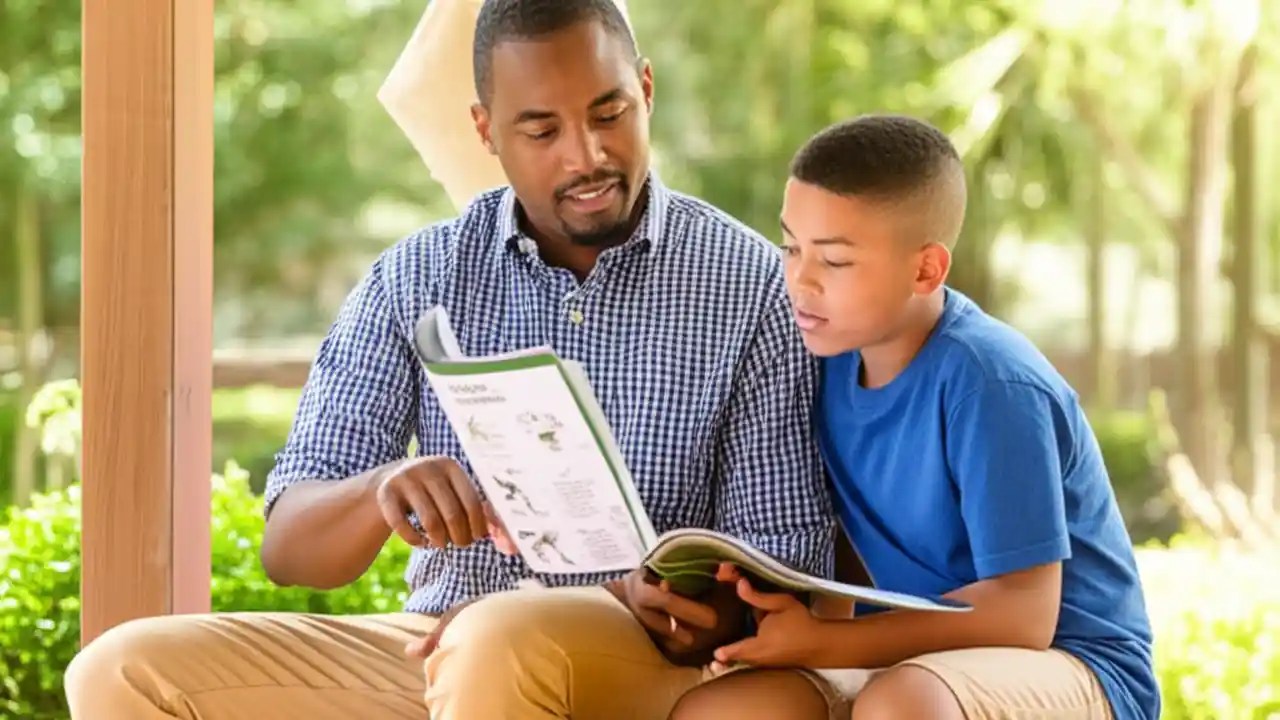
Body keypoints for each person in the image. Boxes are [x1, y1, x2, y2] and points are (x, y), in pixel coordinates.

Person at [61, 2, 836, 719]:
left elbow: (785, 558)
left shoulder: (753, 287)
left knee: (496, 639)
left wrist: (687, 605)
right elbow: (289, 547)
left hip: (642, 659)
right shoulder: (418, 277)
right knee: (122, 669)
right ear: (485, 128)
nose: (587, 156)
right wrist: (383, 489)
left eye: (610, 113)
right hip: (432, 648)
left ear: (645, 88)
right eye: (541, 131)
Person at [667, 115, 1159, 720]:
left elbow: (1025, 615)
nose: (799, 279)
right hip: (912, 657)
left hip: (1075, 666)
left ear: (926, 269)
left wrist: (827, 644)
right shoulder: (822, 360)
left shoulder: (990, 383)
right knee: (727, 711)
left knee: (901, 704)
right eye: (791, 247)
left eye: (836, 262)